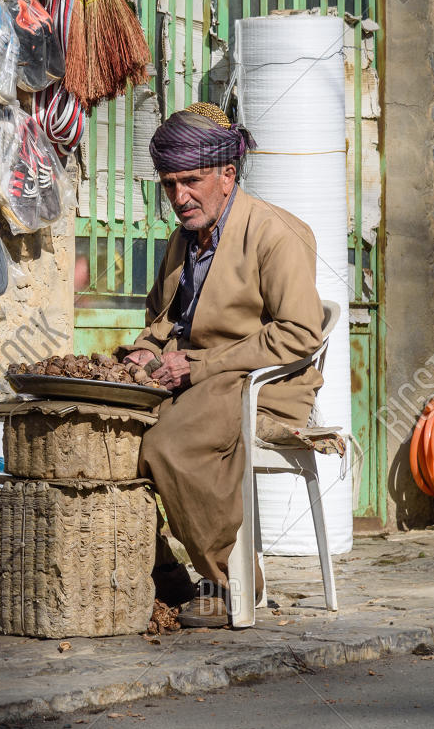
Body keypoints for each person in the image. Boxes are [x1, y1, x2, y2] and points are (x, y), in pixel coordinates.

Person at [121, 103, 325, 628]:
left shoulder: (276, 233)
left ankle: (227, 584)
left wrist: (201, 365)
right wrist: (146, 350)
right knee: (112, 435)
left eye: (191, 181)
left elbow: (300, 333)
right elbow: (163, 318)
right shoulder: (184, 239)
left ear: (227, 174)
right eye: (169, 185)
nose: (179, 197)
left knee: (169, 445)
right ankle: (165, 574)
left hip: (264, 382)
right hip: (196, 377)